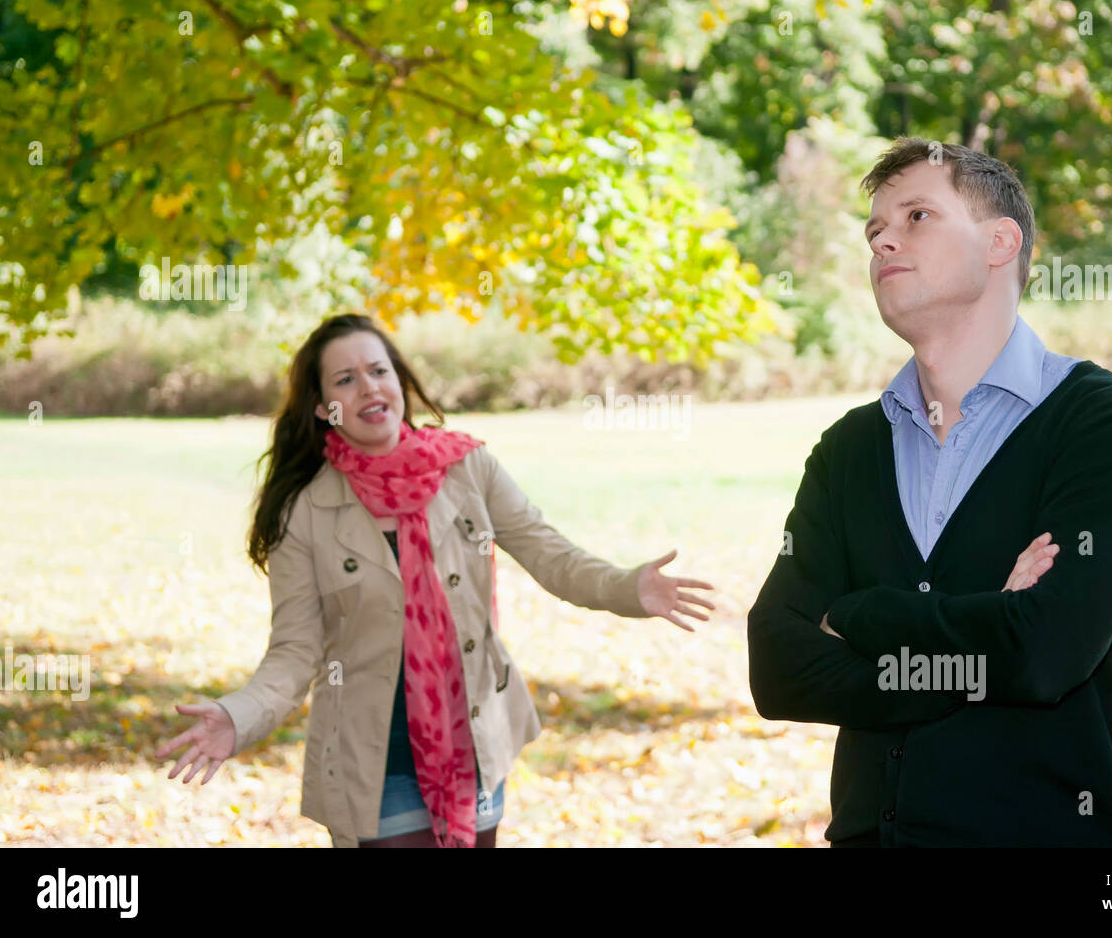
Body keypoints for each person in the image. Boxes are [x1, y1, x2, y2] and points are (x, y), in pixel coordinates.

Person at [747, 138, 1112, 847]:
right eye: (874, 229)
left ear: (1000, 243)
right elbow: (778, 667)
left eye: (917, 215)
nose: (884, 238)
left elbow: (1044, 653)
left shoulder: (1105, 424)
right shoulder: (850, 448)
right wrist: (988, 628)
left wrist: (859, 613)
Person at [155, 313, 715, 847]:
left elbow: (552, 556)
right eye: (345, 380)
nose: (369, 388)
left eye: (378, 371)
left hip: (471, 744)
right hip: (373, 763)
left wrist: (626, 588)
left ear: (399, 380)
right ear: (324, 407)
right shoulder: (304, 512)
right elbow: (295, 652)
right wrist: (239, 717)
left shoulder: (469, 469)